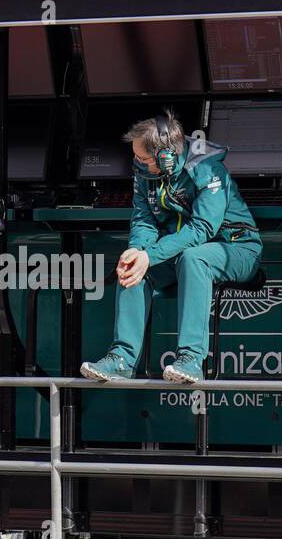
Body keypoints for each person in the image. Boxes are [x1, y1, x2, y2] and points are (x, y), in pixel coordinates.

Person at [81, 110, 263, 384]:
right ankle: (121, 359)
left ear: (165, 156)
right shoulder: (145, 173)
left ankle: (190, 360)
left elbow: (203, 228)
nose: (137, 163)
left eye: (142, 158)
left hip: (236, 248)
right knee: (134, 265)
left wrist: (150, 255)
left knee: (193, 258)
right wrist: (138, 251)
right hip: (182, 254)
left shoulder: (208, 168)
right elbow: (144, 219)